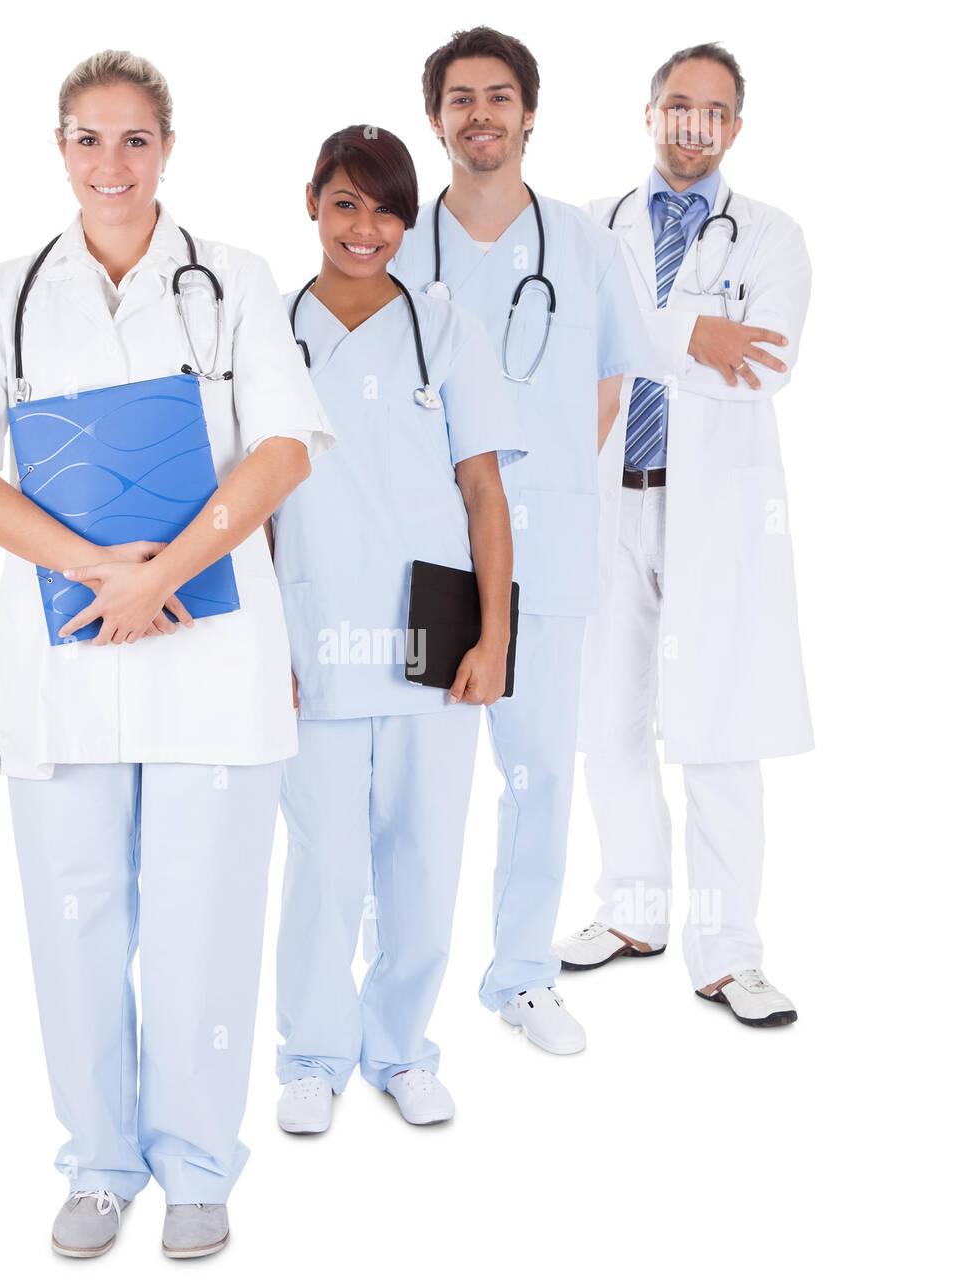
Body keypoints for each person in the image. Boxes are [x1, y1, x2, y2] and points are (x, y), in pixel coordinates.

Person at [0, 50, 333, 1258]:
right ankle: (99, 1162)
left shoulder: (235, 280)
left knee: (204, 919)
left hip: (209, 653)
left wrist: (162, 571)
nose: (112, 162)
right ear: (60, 149)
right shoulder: (5, 290)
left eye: (135, 139)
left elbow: (284, 451)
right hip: (71, 659)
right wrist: (107, 571)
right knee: (78, 919)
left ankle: (197, 1166)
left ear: (167, 149)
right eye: (88, 139)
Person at [391, 28, 646, 1053]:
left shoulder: (583, 242)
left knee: (535, 771)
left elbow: (608, 382)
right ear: (435, 118)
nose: (480, 115)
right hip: (428, 558)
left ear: (529, 114)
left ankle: (522, 976)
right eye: (460, 99)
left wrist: (525, 485)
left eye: (499, 96)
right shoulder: (400, 244)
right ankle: (400, 996)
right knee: (421, 788)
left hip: (548, 548)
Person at [272, 126, 523, 1133]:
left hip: (431, 630)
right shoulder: (269, 331)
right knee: (324, 862)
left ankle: (400, 1050)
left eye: (383, 209)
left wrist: (493, 636)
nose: (362, 228)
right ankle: (310, 1057)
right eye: (343, 203)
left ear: (406, 222)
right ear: (311, 204)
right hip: (313, 629)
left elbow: (485, 490)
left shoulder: (443, 326)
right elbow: (236, 503)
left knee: (423, 855)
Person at [562, 43, 812, 1027]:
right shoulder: (590, 228)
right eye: (676, 104)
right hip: (609, 495)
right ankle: (630, 912)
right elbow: (575, 339)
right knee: (606, 716)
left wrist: (653, 332)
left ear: (733, 128)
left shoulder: (773, 237)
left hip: (712, 509)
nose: (691, 124)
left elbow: (767, 361)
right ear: (647, 113)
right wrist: (693, 332)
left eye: (712, 111)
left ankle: (728, 951)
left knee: (717, 723)